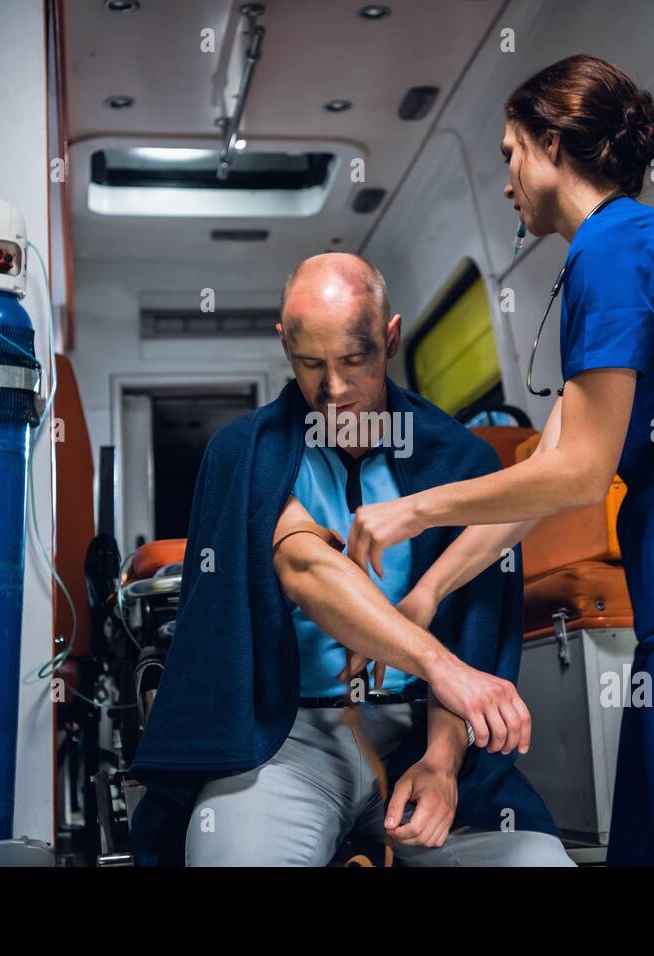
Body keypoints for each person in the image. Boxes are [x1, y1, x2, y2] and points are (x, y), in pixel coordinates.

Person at [345, 55, 654, 866]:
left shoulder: (612, 250)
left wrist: (413, 512)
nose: (505, 179)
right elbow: (546, 465)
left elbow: (578, 473)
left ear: (550, 143)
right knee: (646, 850)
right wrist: (430, 589)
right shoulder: (622, 248)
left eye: (509, 152)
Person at [126, 252, 573, 866]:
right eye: (310, 364)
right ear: (284, 345)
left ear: (390, 340)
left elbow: (473, 622)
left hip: (425, 732)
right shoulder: (243, 454)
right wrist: (440, 666)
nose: (332, 390)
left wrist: (442, 764)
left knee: (538, 865)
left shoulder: (458, 460)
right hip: (285, 738)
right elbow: (306, 568)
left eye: (353, 360)